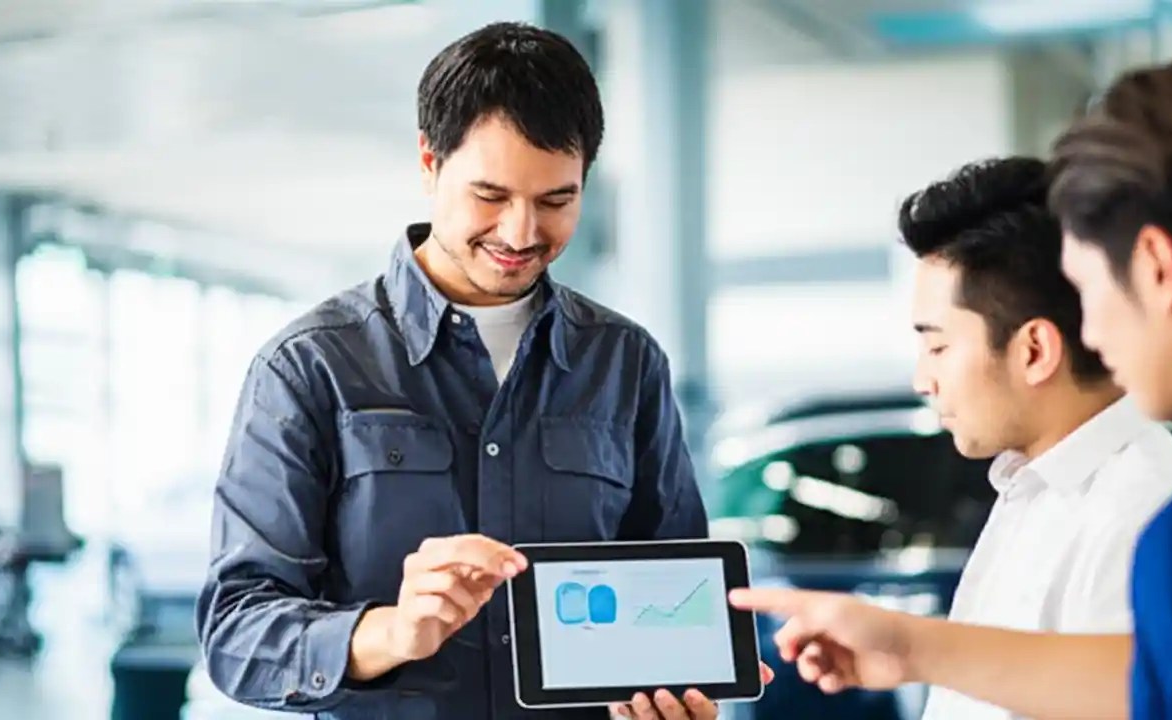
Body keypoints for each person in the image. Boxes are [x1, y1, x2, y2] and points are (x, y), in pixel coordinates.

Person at [196, 21, 764, 720]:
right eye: (490, 195)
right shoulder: (311, 367)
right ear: (430, 163)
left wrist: (681, 688)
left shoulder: (625, 363)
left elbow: (675, 593)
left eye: (557, 200)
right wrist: (389, 632)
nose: (522, 233)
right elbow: (237, 633)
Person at [731, 56, 1172, 720]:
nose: (1092, 331)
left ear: (1158, 266)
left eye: (1092, 288)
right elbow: (1159, 675)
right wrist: (911, 647)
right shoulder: (1043, 492)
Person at [897, 156, 1172, 720]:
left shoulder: (1141, 514)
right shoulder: (1032, 489)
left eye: (937, 347)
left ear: (1034, 351)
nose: (922, 380)